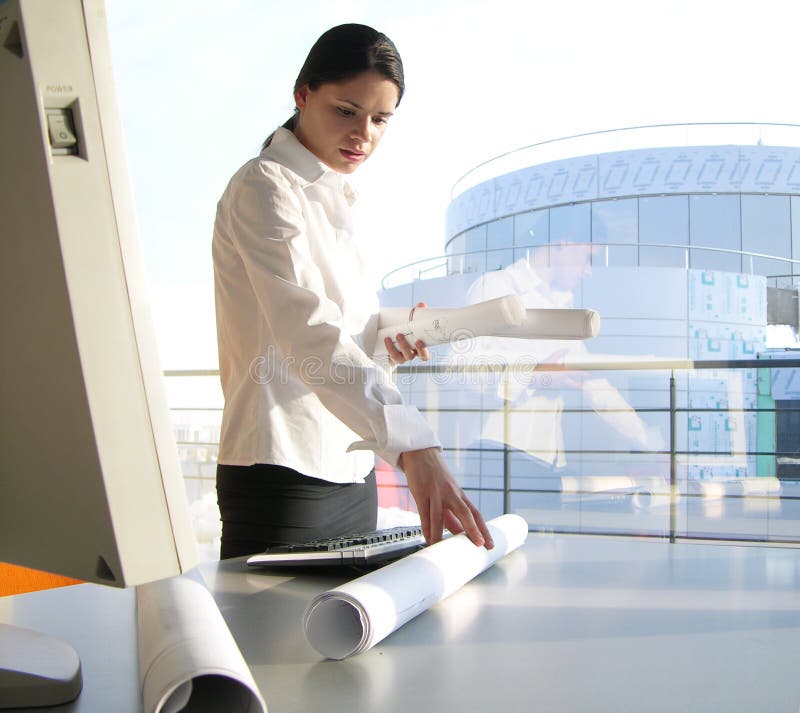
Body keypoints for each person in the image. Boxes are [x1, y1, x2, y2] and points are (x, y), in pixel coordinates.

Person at [212, 23, 493, 559]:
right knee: (271, 617)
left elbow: (341, 329)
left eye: (380, 119)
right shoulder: (264, 186)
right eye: (346, 111)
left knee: (350, 616)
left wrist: (390, 334)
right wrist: (414, 443)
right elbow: (310, 334)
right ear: (303, 95)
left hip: (351, 465)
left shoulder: (340, 195)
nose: (363, 134)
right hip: (281, 466)